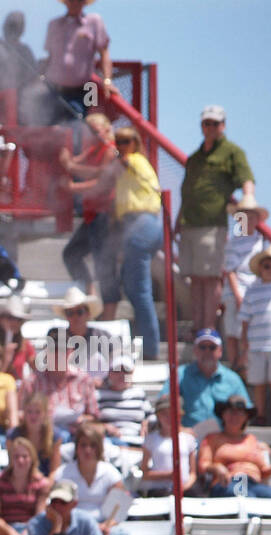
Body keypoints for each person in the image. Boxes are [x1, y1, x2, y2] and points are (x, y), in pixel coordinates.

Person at [178, 105, 256, 339]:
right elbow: (187, 191)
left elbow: (246, 178)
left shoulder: (232, 152)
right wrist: (177, 222)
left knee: (210, 278)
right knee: (195, 278)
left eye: (214, 123)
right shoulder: (195, 157)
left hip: (212, 224)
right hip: (189, 224)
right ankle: (197, 325)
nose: (210, 127)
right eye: (206, 123)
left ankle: (208, 327)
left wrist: (249, 200)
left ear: (223, 126)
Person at [52, 421, 141, 535]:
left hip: (105, 528)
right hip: (74, 528)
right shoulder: (63, 474)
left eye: (92, 445)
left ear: (98, 448)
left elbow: (120, 507)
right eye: (83, 445)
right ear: (76, 448)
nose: (88, 450)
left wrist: (106, 526)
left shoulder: (110, 473)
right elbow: (54, 507)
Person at [111, 126, 162, 360]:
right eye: (117, 141)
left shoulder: (135, 161)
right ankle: (146, 344)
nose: (121, 146)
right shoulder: (129, 167)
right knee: (132, 289)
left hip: (141, 224)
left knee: (139, 291)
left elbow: (119, 160)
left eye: (126, 141)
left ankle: (151, 350)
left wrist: (104, 141)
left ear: (135, 143)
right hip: (137, 225)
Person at [58, 113, 118, 306]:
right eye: (89, 131)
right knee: (72, 254)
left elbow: (102, 178)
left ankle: (108, 312)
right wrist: (69, 162)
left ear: (107, 130)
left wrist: (73, 183)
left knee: (104, 266)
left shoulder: (110, 150)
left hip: (105, 214)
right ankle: (89, 293)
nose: (91, 135)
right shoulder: (94, 148)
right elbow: (77, 163)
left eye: (95, 131)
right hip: (93, 214)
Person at [237, 244, 271, 427]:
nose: (270, 270)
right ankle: (260, 415)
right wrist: (244, 343)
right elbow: (244, 319)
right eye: (267, 266)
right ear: (260, 267)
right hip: (256, 345)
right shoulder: (252, 290)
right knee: (258, 383)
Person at [160, 328, 250, 436]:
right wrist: (180, 429)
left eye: (212, 347)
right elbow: (163, 403)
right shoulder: (181, 374)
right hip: (189, 438)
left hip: (223, 440)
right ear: (195, 350)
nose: (207, 351)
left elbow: (246, 411)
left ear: (220, 351)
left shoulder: (232, 379)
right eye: (202, 347)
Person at [38, 0, 114, 125]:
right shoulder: (54, 24)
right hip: (53, 88)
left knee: (77, 125)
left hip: (83, 89)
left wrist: (107, 80)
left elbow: (104, 53)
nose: (75, 3)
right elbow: (49, 57)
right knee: (49, 126)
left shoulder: (94, 21)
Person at [199, 395, 271, 499]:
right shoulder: (212, 439)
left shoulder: (252, 440)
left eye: (239, 413)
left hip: (254, 483)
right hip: (228, 482)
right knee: (247, 498)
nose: (234, 416)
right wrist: (216, 468)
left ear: (246, 417)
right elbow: (203, 465)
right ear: (223, 415)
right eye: (231, 412)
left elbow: (263, 470)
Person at [221, 193, 268, 371]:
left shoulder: (260, 241)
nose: (248, 219)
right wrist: (238, 296)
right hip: (235, 293)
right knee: (233, 331)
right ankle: (235, 365)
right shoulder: (234, 242)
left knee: (247, 331)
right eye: (244, 215)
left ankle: (244, 364)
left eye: (251, 215)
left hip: (252, 292)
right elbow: (230, 271)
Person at [139, 393, 198, 497]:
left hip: (186, 489)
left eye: (173, 413)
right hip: (160, 490)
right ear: (158, 415)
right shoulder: (151, 440)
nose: (169, 418)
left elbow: (193, 473)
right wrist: (168, 475)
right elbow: (145, 474)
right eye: (164, 414)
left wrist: (184, 488)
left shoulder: (188, 439)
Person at [0, 435, 48, 529]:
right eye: (16, 457)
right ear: (10, 459)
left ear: (32, 459)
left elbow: (38, 518)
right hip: (5, 529)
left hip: (30, 530)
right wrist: (10, 534)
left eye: (25, 456)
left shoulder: (41, 484)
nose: (20, 460)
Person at [95, 348, 150, 444]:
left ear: (132, 373)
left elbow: (151, 415)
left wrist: (146, 424)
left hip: (138, 441)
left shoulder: (139, 394)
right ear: (109, 373)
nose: (121, 374)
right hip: (109, 443)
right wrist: (104, 426)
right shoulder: (99, 395)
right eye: (117, 370)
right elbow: (89, 420)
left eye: (126, 370)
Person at [0, 10, 36, 99]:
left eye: (17, 27)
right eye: (12, 26)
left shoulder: (26, 51)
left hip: (22, 102)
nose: (14, 30)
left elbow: (32, 78)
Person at [0, 295, 37, 384]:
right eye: (10, 318)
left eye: (19, 319)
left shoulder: (25, 344)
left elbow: (37, 369)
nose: (15, 323)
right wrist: (6, 360)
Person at [11, 391, 61, 476]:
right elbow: (12, 468)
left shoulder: (54, 436)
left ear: (45, 414)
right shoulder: (13, 435)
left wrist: (45, 485)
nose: (33, 416)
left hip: (46, 482)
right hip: (21, 480)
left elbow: (55, 471)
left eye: (38, 412)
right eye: (29, 411)